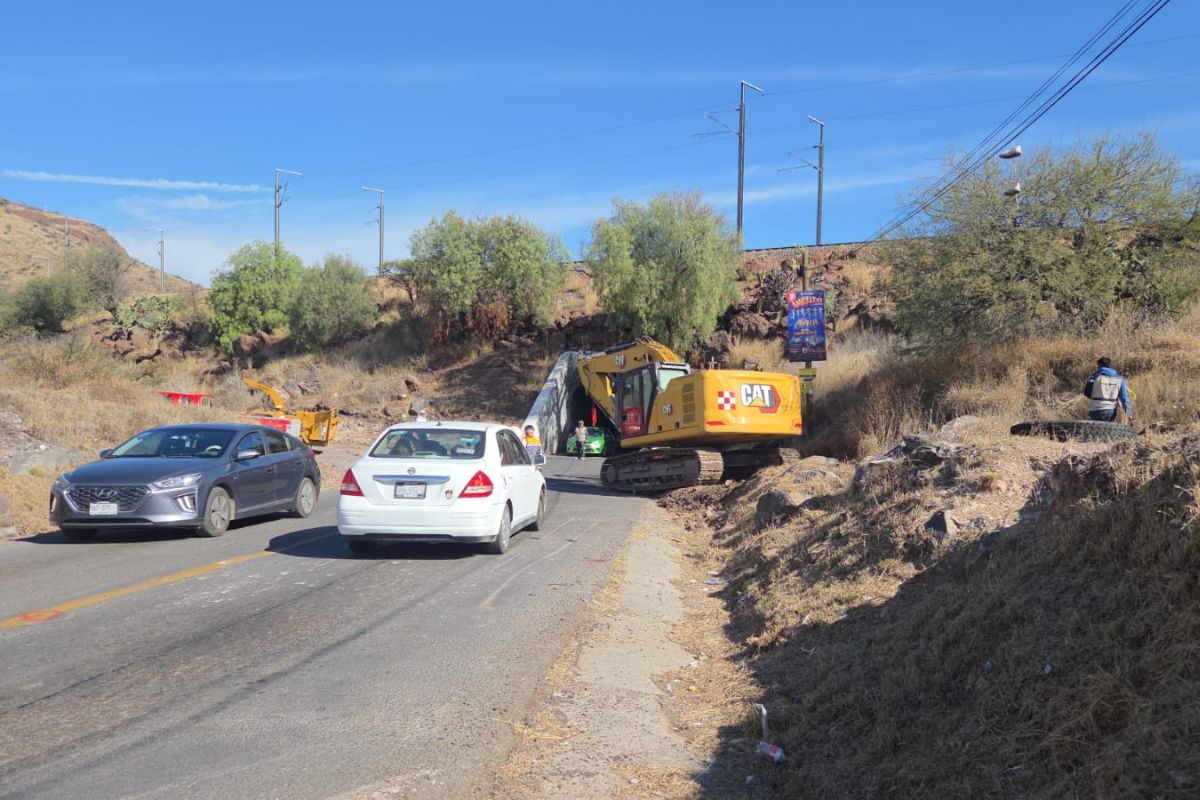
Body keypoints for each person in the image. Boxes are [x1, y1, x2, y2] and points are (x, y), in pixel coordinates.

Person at [1083, 357, 1134, 423]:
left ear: (1099, 366)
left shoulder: (1094, 377)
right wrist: (1130, 415)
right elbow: (1125, 398)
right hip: (1111, 411)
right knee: (1109, 431)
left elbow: (1086, 392)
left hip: (1095, 409)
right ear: (1110, 365)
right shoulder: (1119, 379)